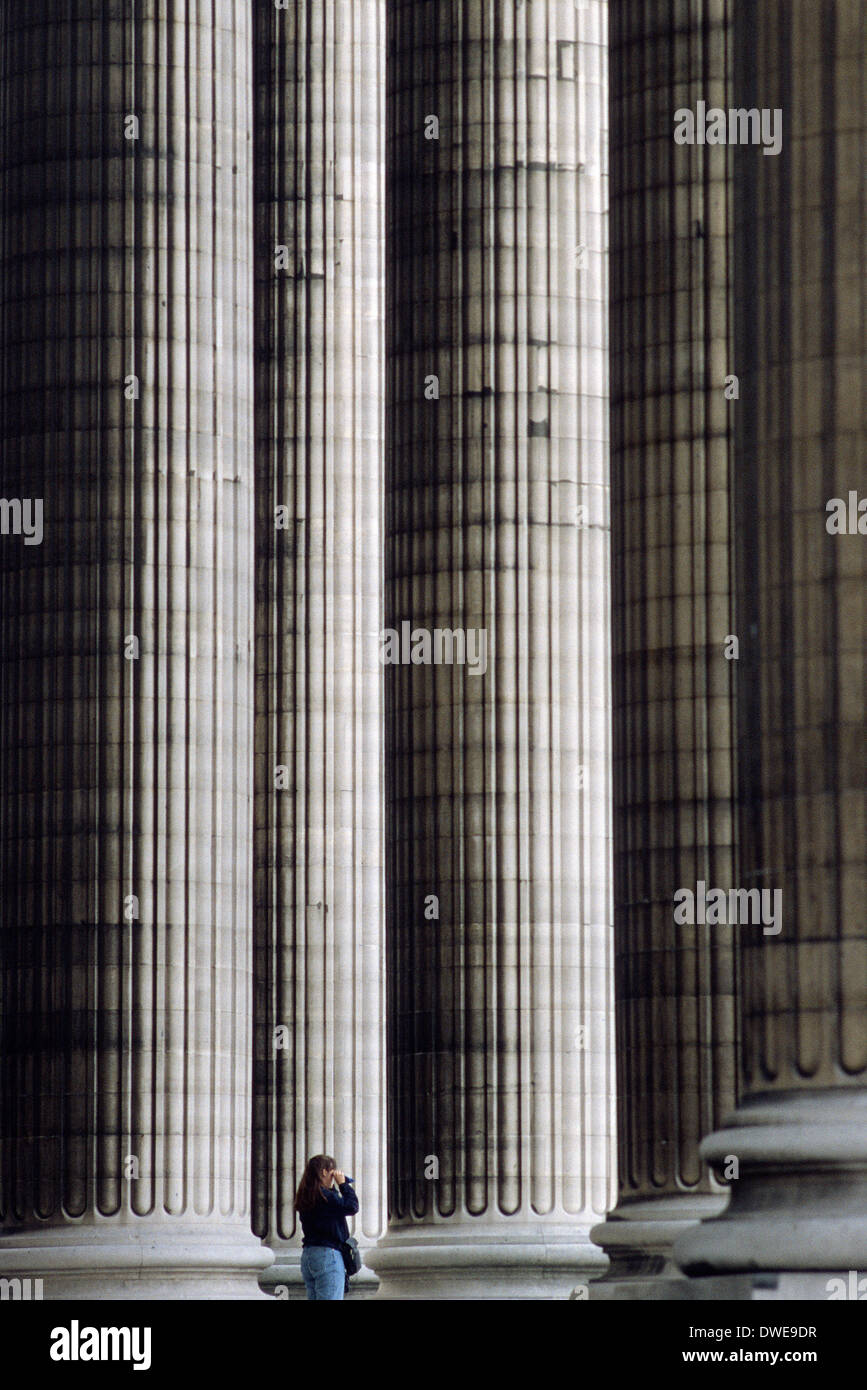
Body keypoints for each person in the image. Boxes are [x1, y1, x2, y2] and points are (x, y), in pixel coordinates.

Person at [294, 1154, 359, 1300]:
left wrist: (334, 1187)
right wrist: (343, 1185)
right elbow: (352, 1206)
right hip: (328, 1255)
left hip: (310, 1255)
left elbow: (335, 1206)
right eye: (332, 1172)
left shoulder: (307, 1195)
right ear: (324, 1172)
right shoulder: (326, 1197)